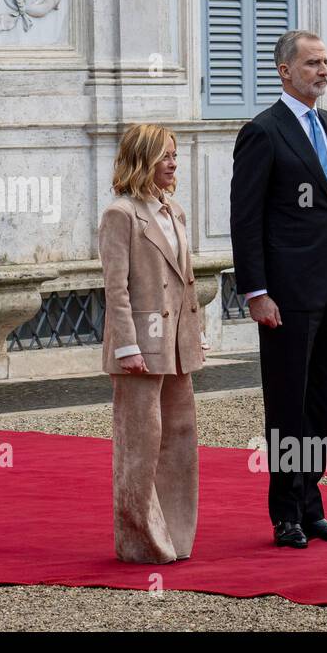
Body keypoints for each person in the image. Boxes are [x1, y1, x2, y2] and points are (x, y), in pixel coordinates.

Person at [230, 30, 327, 549]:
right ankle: (285, 515)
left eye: (326, 62)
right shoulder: (263, 131)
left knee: (321, 404)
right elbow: (247, 218)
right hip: (284, 294)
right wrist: (256, 290)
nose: (323, 71)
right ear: (285, 70)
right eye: (312, 63)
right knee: (286, 404)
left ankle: (312, 505)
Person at [98, 124, 208, 564]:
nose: (174, 163)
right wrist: (127, 346)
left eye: (175, 154)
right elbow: (116, 288)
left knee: (180, 438)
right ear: (143, 159)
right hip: (139, 348)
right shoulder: (119, 214)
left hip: (177, 345)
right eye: (165, 155)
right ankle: (139, 539)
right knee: (139, 443)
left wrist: (195, 335)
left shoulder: (174, 210)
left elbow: (185, 283)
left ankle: (176, 538)